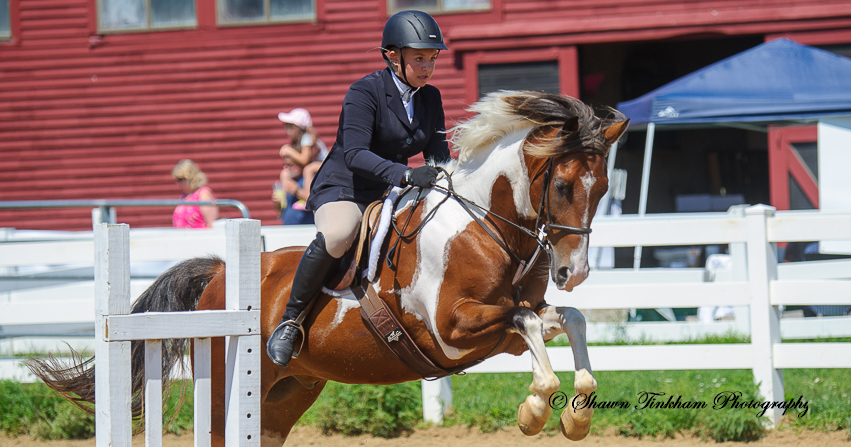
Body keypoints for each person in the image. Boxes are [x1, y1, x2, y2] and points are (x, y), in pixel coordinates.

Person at [266, 10, 451, 367]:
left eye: (432, 59)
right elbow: (355, 154)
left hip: (392, 189)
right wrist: (407, 175)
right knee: (338, 234)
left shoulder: (431, 98)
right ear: (392, 56)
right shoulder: (364, 92)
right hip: (346, 187)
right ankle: (290, 320)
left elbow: (439, 156)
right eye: (419, 59)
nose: (427, 67)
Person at [172, 159, 218, 229]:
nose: (178, 183)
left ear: (191, 178)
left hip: (199, 238)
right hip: (182, 238)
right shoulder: (185, 195)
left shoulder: (203, 194)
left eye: (180, 179)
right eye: (176, 180)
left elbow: (211, 224)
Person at [272, 154, 315, 225]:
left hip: (306, 229)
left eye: (290, 165)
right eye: (285, 165)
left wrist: (297, 191)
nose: (286, 168)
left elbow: (315, 202)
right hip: (289, 229)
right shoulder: (288, 180)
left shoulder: (309, 179)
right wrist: (277, 204)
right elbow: (281, 211)